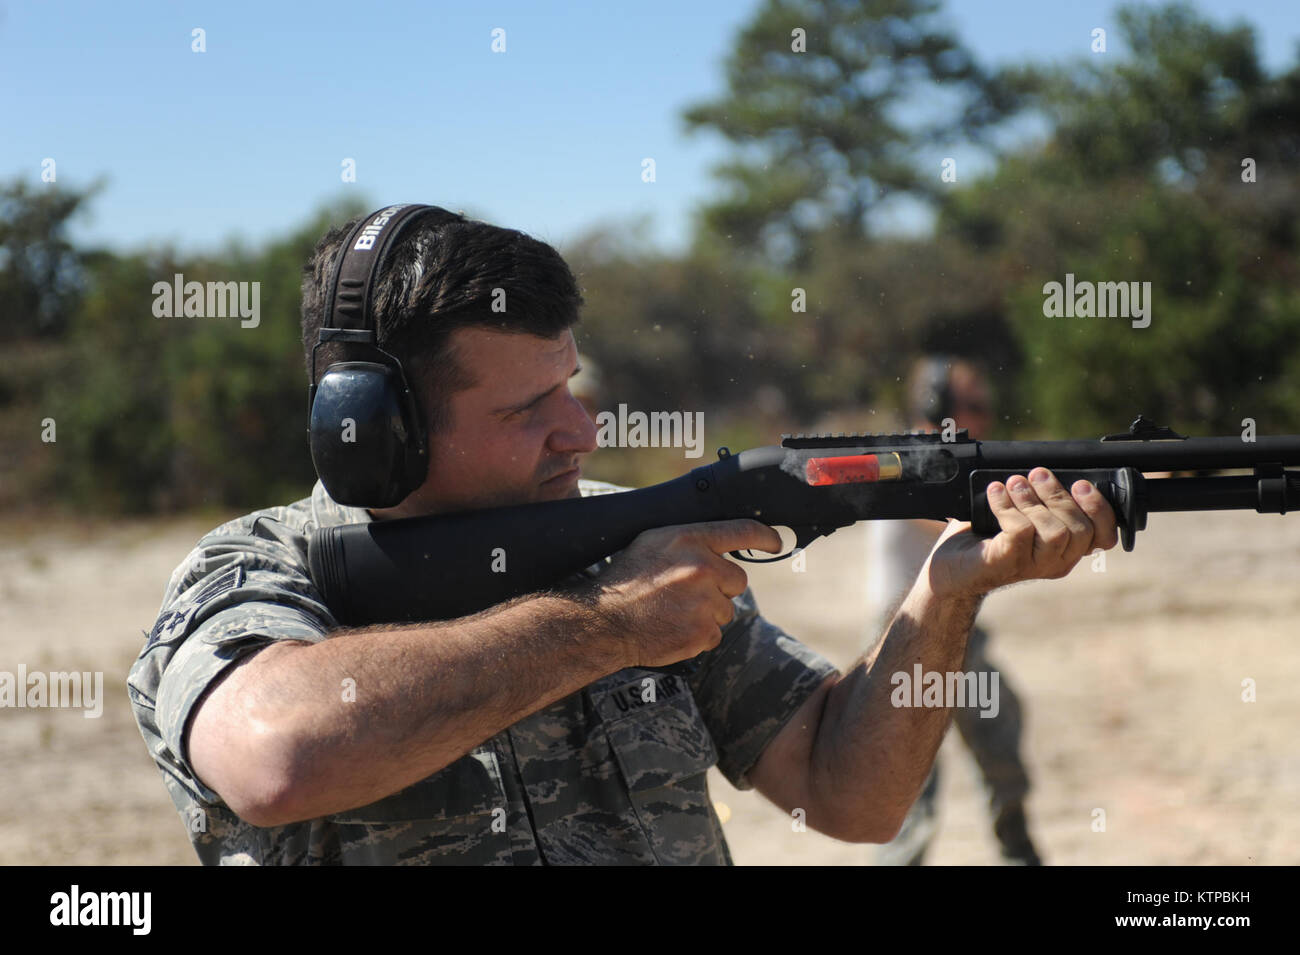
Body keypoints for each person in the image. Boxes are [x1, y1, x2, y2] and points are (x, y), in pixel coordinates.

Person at [126, 205, 1118, 865]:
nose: (581, 428)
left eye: (571, 385)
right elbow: (277, 759)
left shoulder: (624, 537)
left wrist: (940, 599)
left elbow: (849, 797)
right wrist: (604, 629)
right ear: (374, 431)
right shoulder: (260, 570)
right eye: (529, 408)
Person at [866, 355, 1040, 865]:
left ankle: (1019, 852)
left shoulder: (953, 458)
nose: (985, 415)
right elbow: (942, 519)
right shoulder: (911, 459)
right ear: (935, 405)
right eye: (974, 404)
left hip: (955, 626)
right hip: (905, 632)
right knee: (908, 784)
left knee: (1000, 740)